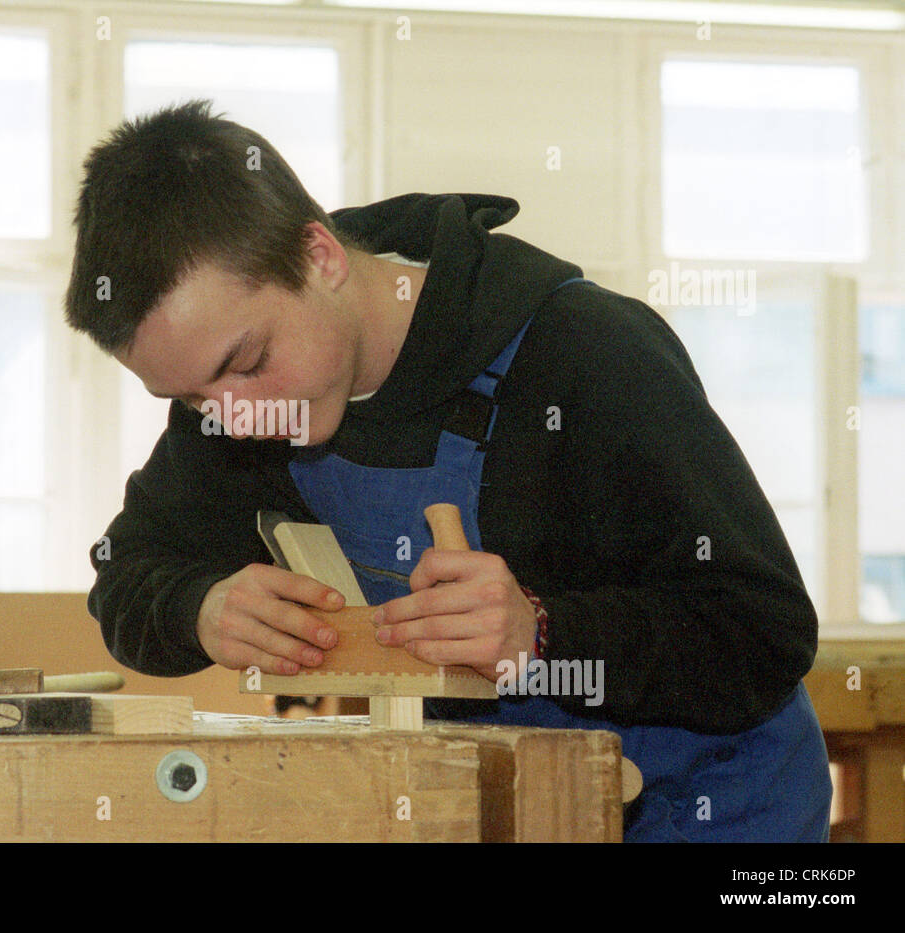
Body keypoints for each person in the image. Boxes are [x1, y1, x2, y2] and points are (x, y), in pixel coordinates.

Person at [64, 100, 831, 842]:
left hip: (718, 807)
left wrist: (545, 635)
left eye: (248, 364)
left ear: (320, 258)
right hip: (510, 809)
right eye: (191, 396)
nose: (233, 418)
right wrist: (200, 605)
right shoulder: (235, 406)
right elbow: (124, 574)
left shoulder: (587, 353)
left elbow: (764, 632)